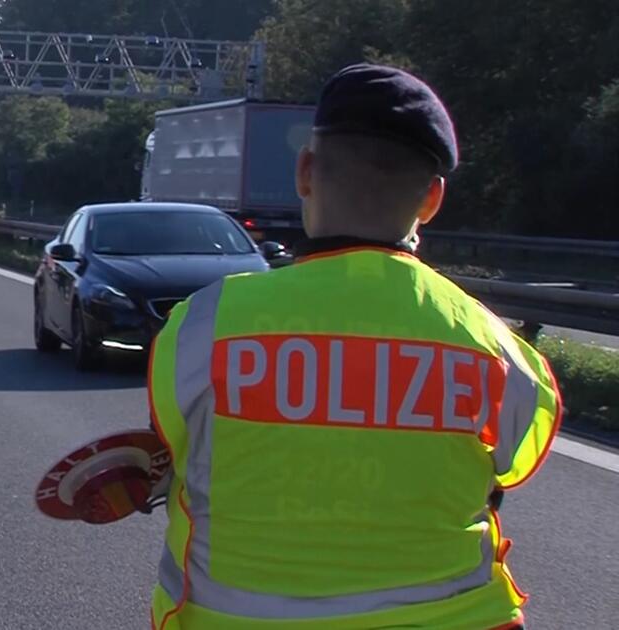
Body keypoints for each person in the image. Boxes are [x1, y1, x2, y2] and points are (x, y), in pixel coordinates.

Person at [147, 64, 561, 630]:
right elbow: (510, 472)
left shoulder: (204, 325)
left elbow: (176, 447)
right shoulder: (497, 347)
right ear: (433, 199)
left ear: (305, 171)